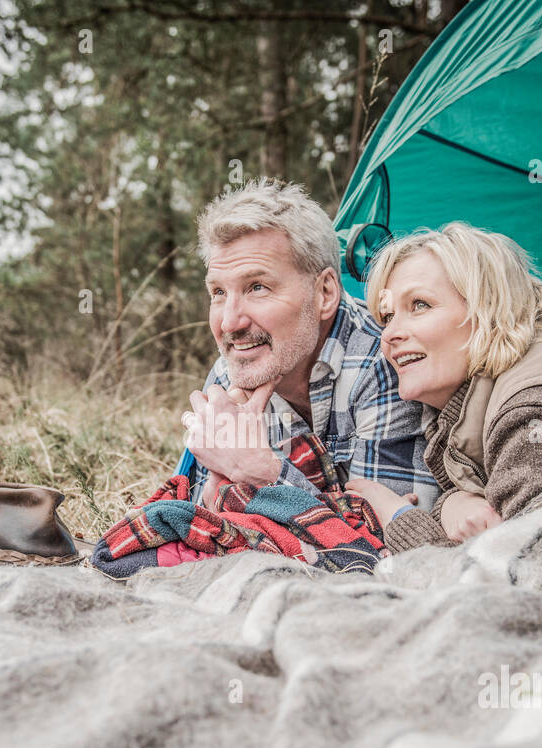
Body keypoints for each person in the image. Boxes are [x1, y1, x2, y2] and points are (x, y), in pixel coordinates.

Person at [344, 222, 542, 552]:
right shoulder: (471, 399)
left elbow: (525, 583)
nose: (389, 335)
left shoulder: (539, 411)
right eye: (387, 316)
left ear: (489, 309)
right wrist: (454, 502)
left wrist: (398, 517)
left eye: (420, 305)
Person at [181, 179, 438, 513]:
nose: (230, 323)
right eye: (218, 293)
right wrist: (214, 494)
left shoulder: (385, 360)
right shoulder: (228, 374)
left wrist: (263, 474)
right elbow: (207, 523)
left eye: (257, 287)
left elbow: (387, 542)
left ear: (325, 293)